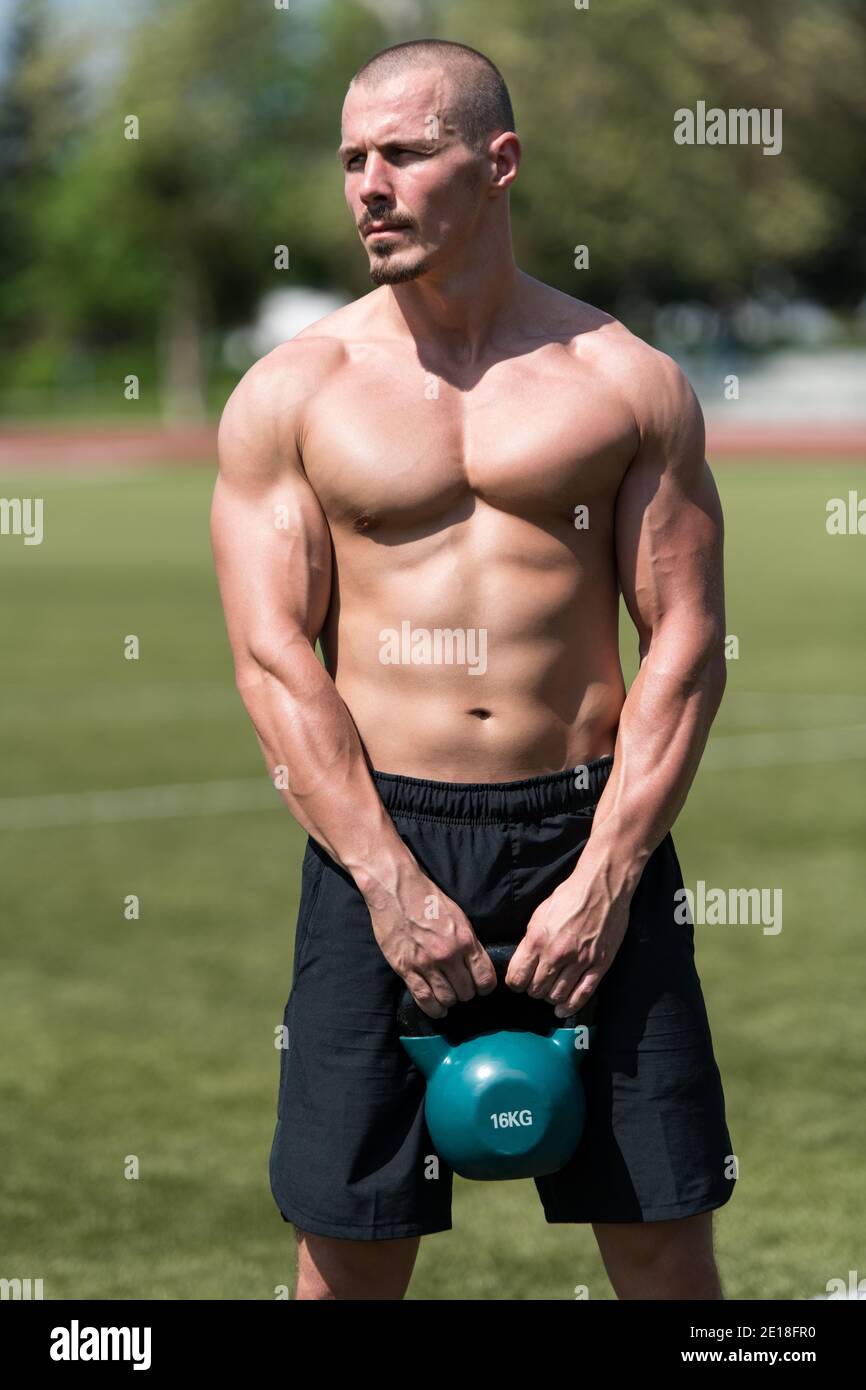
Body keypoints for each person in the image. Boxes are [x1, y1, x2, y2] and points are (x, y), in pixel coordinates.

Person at [210, 38, 736, 1301]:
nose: (366, 187)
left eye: (402, 151)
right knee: (345, 1249)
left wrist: (608, 875)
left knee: (662, 1238)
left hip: (584, 824)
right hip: (375, 836)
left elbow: (682, 640)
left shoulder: (623, 381)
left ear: (495, 163)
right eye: (350, 159)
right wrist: (388, 881)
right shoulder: (294, 392)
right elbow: (273, 657)